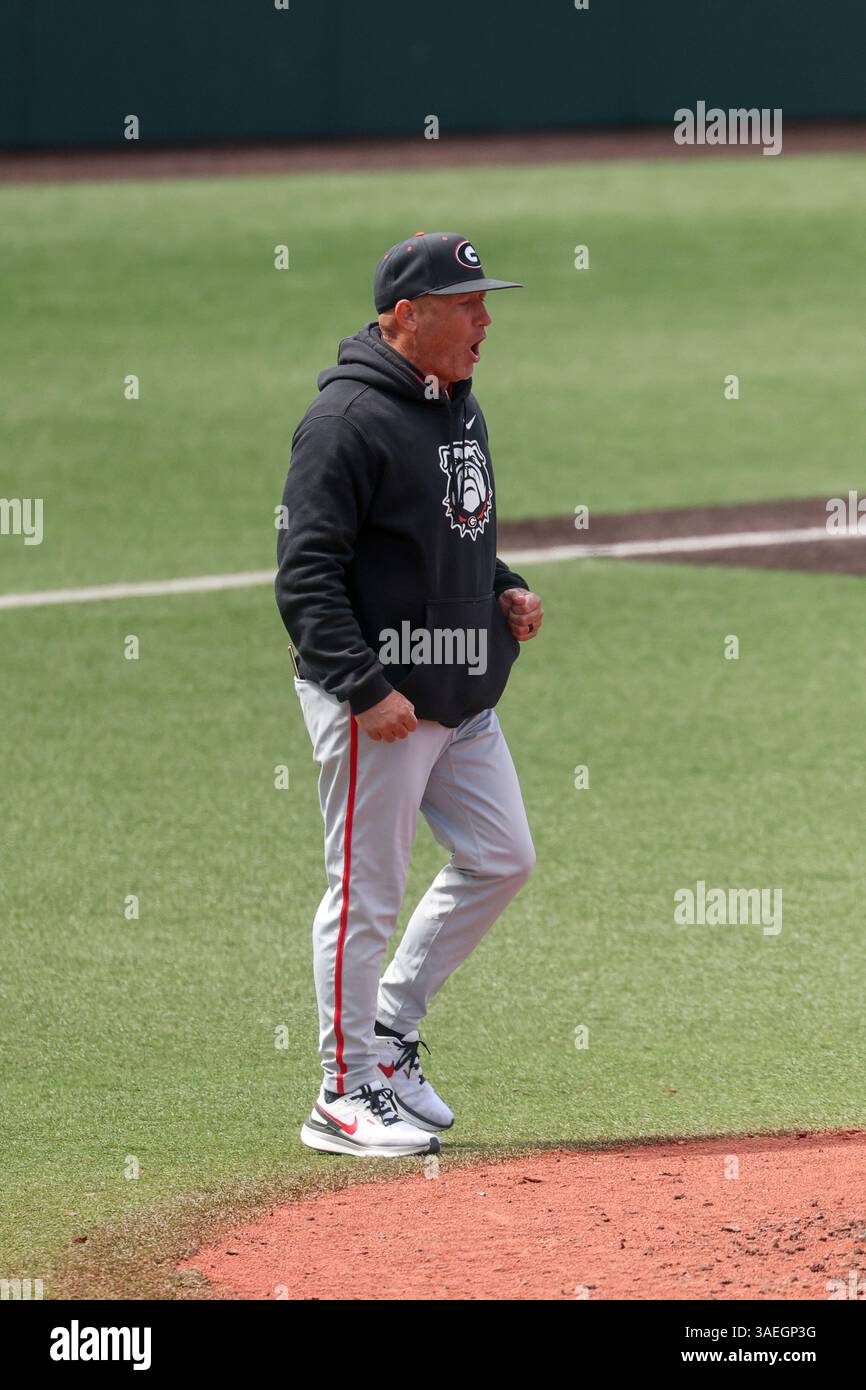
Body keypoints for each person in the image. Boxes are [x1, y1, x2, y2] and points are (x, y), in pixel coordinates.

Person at [275, 231, 544, 1158]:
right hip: (381, 705)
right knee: (365, 899)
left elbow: (449, 531)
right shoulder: (345, 425)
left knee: (503, 857)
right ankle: (340, 1094)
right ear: (404, 316)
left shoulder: (456, 403)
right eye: (465, 303)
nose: (485, 318)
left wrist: (501, 580)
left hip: (461, 694)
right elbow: (306, 577)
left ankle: (389, 1035)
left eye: (483, 299)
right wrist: (362, 688)